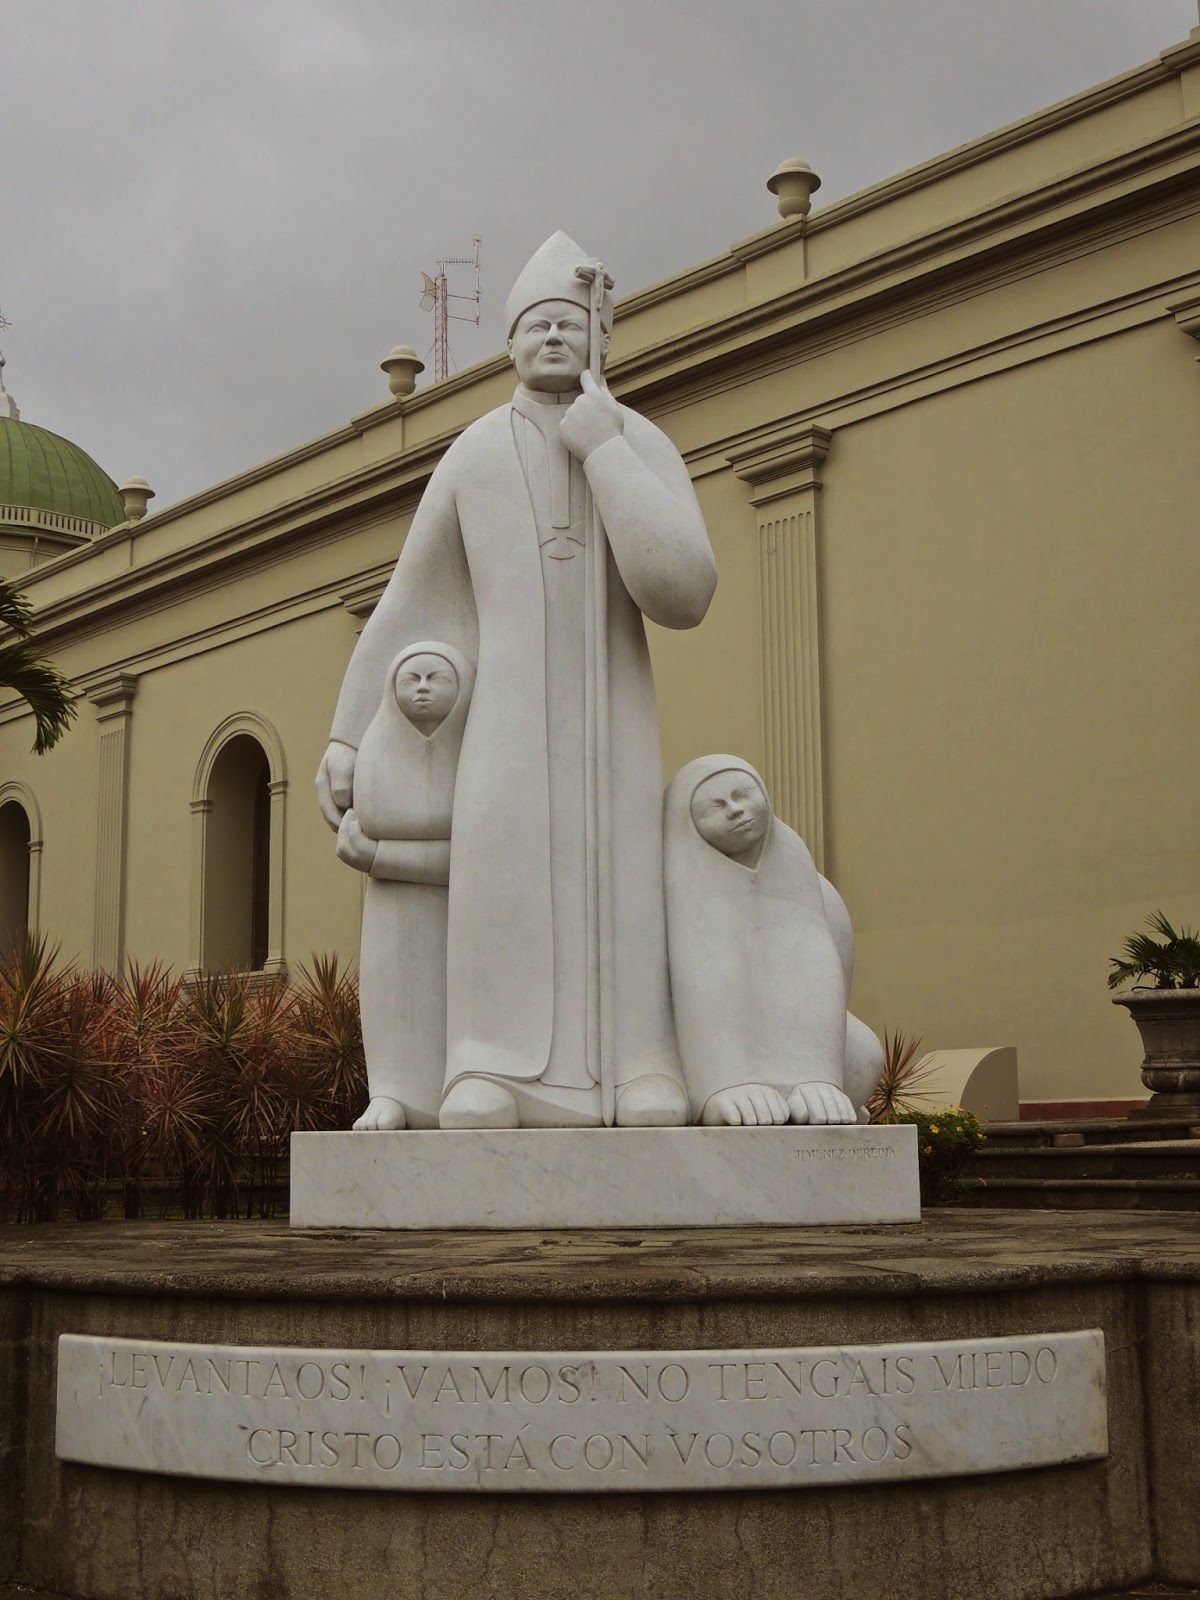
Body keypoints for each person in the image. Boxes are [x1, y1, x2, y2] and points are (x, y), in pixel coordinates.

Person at [317, 232, 717, 1128]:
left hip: (613, 713)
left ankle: (640, 1065)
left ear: (599, 339)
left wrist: (604, 451)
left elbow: (684, 590)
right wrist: (347, 736)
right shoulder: (473, 455)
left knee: (623, 876)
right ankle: (486, 1067)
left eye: (570, 324)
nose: (552, 339)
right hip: (501, 721)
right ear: (509, 341)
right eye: (535, 324)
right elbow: (409, 604)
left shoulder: (638, 439)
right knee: (498, 882)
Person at [663, 755, 884, 1126]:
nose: (735, 810)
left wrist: (817, 1076)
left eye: (743, 794)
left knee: (864, 1060)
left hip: (808, 1057)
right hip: (711, 1062)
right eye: (715, 806)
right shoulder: (677, 895)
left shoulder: (806, 879)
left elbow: (818, 981)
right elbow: (702, 988)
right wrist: (723, 1085)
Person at [335, 642, 475, 1130]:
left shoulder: (477, 759)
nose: (420, 689)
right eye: (409, 679)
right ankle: (391, 1093)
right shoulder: (381, 756)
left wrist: (381, 856)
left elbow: (476, 855)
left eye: (435, 678)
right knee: (393, 997)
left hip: (467, 913)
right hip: (393, 909)